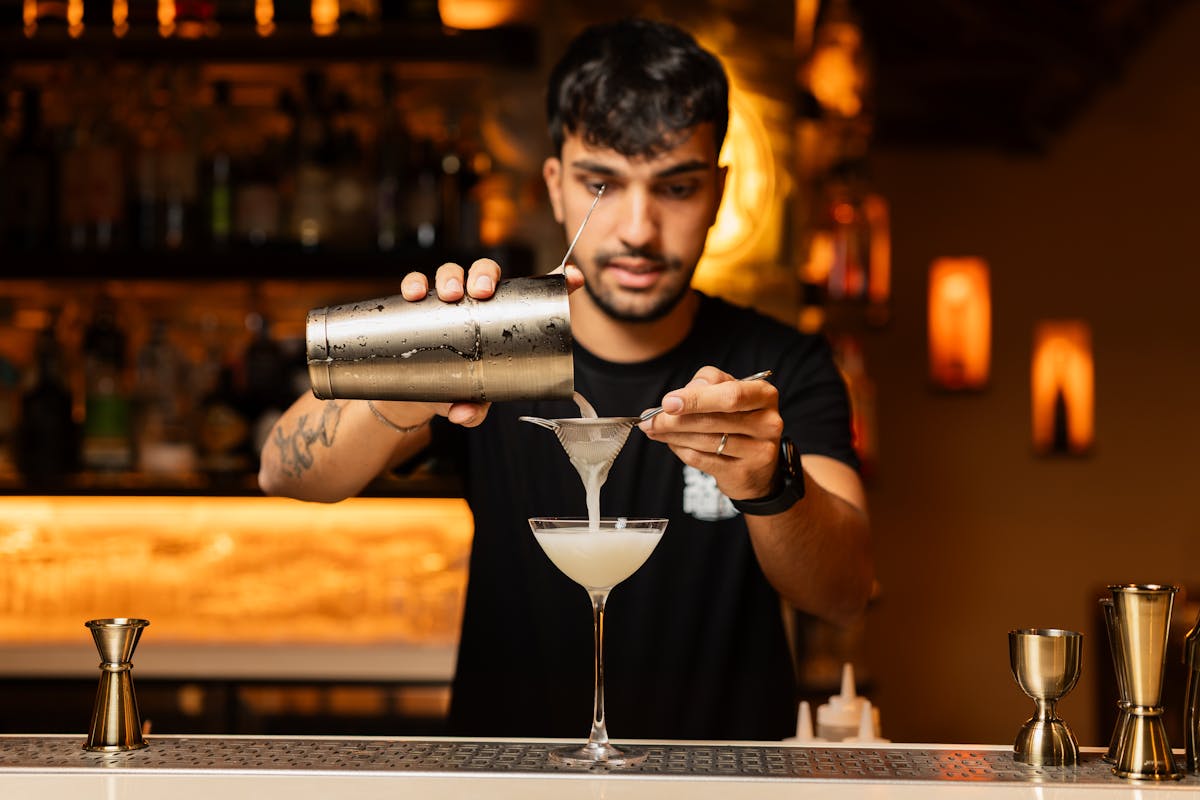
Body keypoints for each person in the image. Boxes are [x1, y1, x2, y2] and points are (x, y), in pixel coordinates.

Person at [259, 17, 873, 742]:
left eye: (675, 187)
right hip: (503, 778)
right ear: (555, 187)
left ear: (718, 192)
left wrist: (771, 484)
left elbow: (843, 592)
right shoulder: (492, 346)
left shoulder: (780, 364)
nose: (639, 229)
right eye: (601, 184)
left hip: (721, 782)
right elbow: (286, 472)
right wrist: (414, 369)